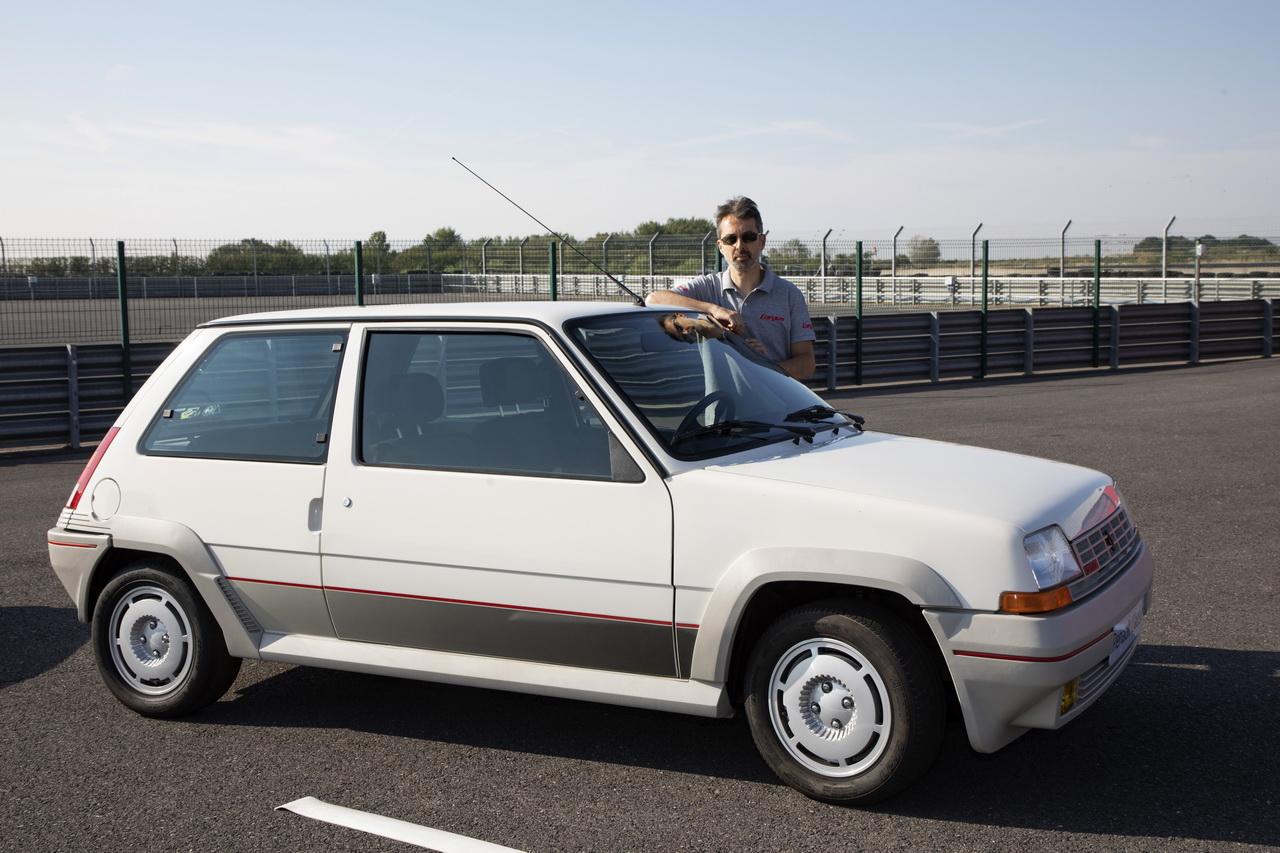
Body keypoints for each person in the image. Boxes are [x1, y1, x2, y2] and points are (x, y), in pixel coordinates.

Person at [645, 196, 816, 380]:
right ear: (720, 246)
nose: (740, 246)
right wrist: (713, 309)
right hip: (722, 405)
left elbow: (806, 364)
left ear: (762, 241)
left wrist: (762, 367)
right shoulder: (708, 287)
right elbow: (653, 299)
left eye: (748, 237)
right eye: (731, 239)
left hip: (776, 406)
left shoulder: (790, 295)